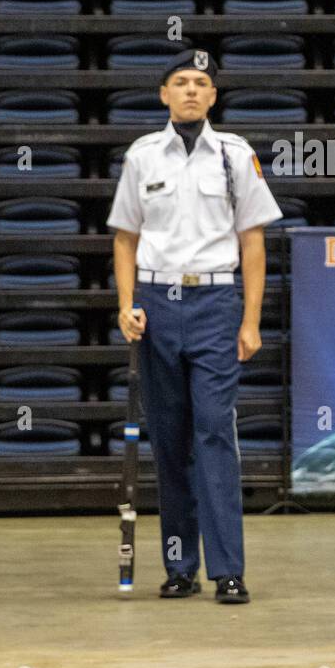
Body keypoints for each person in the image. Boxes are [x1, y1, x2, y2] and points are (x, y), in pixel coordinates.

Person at [107, 47, 283, 604]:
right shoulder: (143, 156)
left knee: (214, 434)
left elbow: (252, 240)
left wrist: (251, 319)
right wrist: (125, 304)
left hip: (214, 303)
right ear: (164, 93)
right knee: (170, 441)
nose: (189, 90)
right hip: (157, 303)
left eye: (200, 83)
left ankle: (228, 568)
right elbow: (125, 238)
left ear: (213, 96)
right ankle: (179, 565)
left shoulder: (235, 156)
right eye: (179, 81)